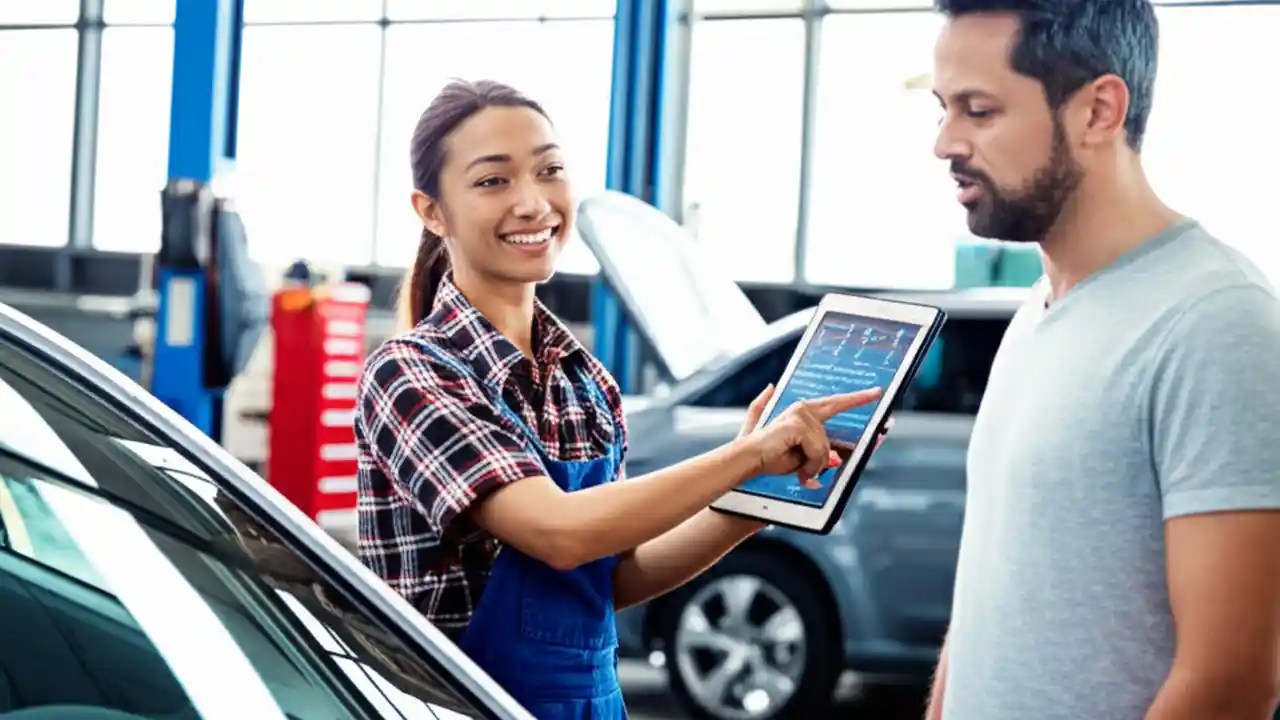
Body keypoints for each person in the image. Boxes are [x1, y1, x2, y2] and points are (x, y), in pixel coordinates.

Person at [353, 78, 883, 718]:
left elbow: (610, 578)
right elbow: (557, 533)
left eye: (549, 170)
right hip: (462, 708)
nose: (532, 203)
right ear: (432, 211)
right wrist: (743, 459)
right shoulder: (411, 373)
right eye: (493, 181)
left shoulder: (586, 384)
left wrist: (754, 503)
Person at [925, 2, 1280, 719]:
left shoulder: (1217, 323)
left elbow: (1233, 680)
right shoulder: (1037, 311)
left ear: (1098, 112)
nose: (944, 142)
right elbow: (989, 603)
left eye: (979, 111)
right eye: (942, 109)